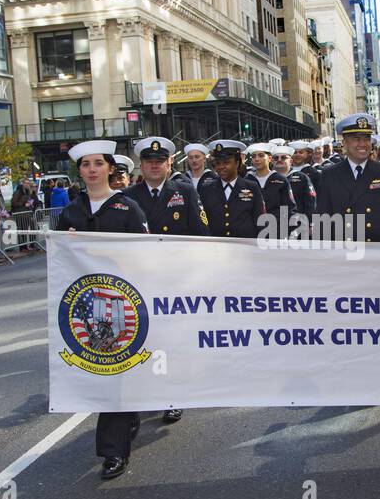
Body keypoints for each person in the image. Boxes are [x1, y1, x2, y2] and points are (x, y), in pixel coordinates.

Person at [57, 140, 150, 479]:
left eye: (98, 163)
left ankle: (113, 452)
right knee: (103, 371)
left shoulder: (127, 207)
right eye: (85, 165)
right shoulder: (71, 212)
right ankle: (129, 415)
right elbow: (58, 263)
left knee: (116, 370)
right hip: (86, 304)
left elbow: (146, 255)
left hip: (124, 302)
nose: (92, 169)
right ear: (79, 171)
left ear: (111, 168)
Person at [126, 136, 209, 426]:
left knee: (173, 342)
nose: (154, 165)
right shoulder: (128, 196)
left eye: (159, 161)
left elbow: (200, 234)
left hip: (176, 279)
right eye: (149, 161)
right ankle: (147, 393)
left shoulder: (184, 192)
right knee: (145, 339)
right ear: (141, 164)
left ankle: (172, 396)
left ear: (169, 163)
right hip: (141, 281)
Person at [315, 113, 380, 243]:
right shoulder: (329, 174)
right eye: (356, 139)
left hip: (378, 249)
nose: (363, 144)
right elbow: (323, 219)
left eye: (366, 138)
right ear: (344, 143)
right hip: (344, 252)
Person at [197, 141, 266, 237]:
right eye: (217, 163)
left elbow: (260, 219)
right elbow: (202, 221)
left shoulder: (251, 186)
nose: (221, 167)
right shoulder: (206, 189)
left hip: (245, 246)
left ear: (237, 163)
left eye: (226, 163)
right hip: (216, 245)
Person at [245, 143, 298, 236]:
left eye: (261, 155)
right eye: (253, 156)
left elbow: (289, 207)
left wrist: (289, 230)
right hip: (252, 233)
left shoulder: (281, 180)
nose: (257, 159)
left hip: (277, 231)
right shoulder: (247, 180)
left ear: (269, 158)